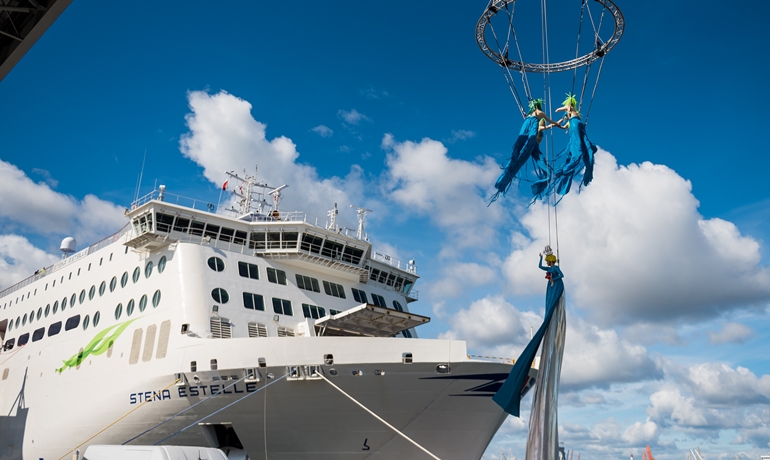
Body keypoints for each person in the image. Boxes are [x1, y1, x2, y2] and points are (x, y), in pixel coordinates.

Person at [490, 99, 562, 203]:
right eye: (542, 120)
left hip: (533, 146)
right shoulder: (536, 117)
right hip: (531, 142)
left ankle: (547, 176)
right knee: (519, 154)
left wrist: (559, 123)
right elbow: (550, 122)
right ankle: (503, 180)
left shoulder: (538, 123)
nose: (543, 121)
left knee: (540, 161)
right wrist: (557, 123)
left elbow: (549, 124)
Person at [549, 94, 598, 199]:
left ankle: (564, 170)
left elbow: (567, 108)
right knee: (584, 145)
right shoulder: (571, 118)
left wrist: (558, 109)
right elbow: (563, 127)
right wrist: (558, 124)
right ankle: (570, 167)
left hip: (576, 126)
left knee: (579, 146)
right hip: (578, 126)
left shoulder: (571, 110)